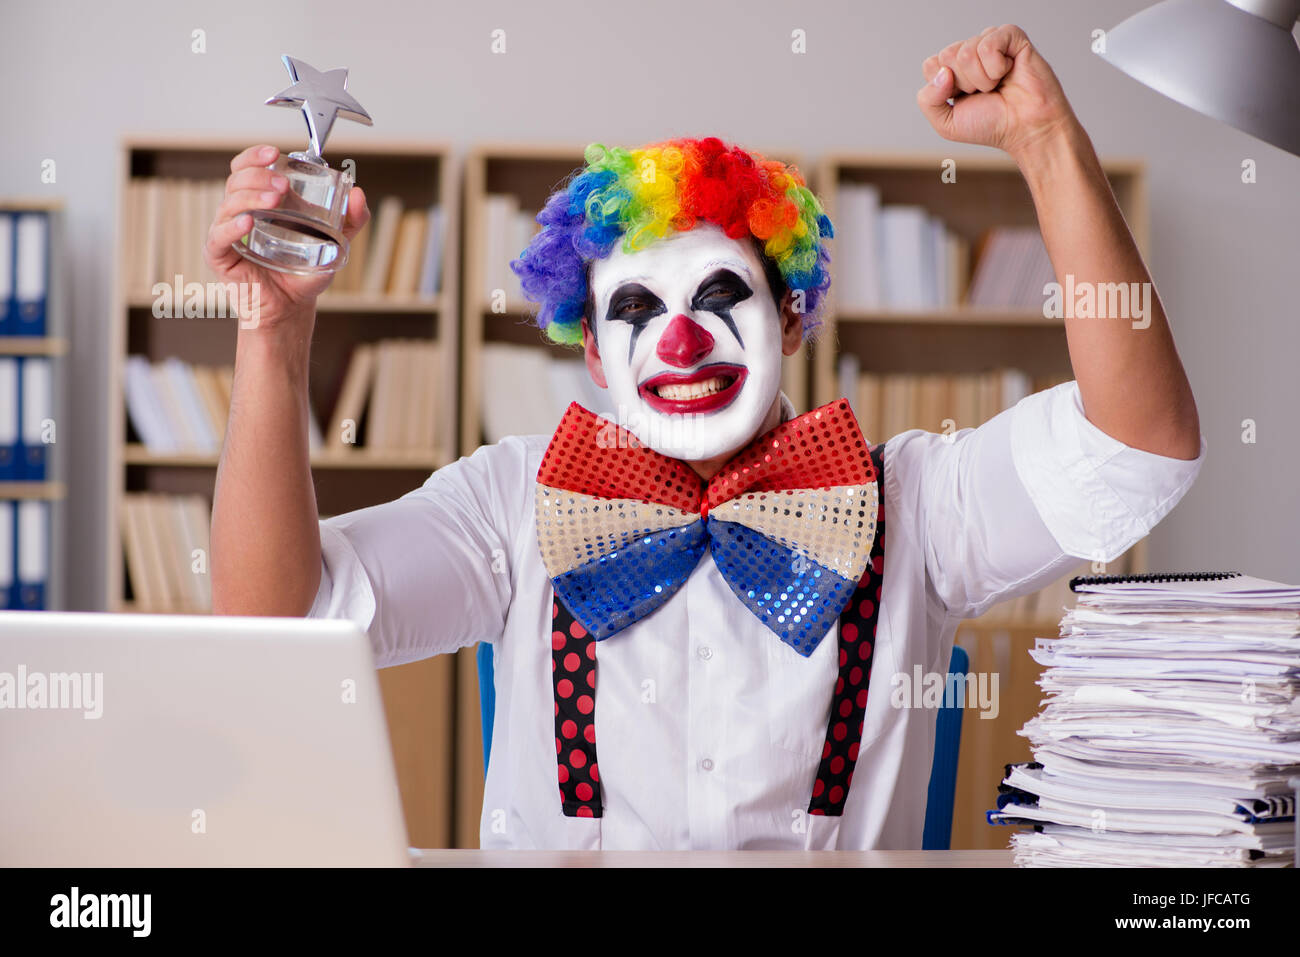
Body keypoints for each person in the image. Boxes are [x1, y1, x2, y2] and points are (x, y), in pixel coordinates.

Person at [207, 24, 1204, 849]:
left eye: (720, 295)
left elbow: (1137, 448)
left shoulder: (913, 505)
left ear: (794, 320)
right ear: (594, 354)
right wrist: (276, 329)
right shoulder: (511, 502)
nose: (680, 341)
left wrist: (1044, 141)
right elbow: (277, 620)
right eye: (637, 309)